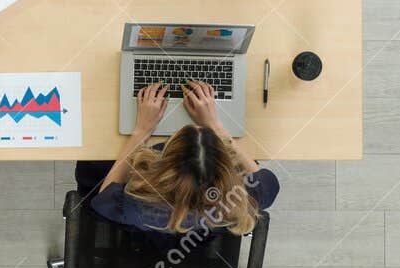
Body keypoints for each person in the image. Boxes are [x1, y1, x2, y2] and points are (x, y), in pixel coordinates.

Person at [77, 81, 279, 236]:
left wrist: (141, 132)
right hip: (194, 257)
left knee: (93, 163)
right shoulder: (241, 202)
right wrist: (215, 126)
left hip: (140, 243)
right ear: (225, 169)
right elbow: (264, 178)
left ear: (165, 162)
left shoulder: (132, 205)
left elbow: (101, 199)